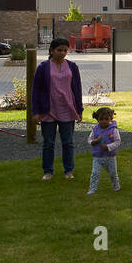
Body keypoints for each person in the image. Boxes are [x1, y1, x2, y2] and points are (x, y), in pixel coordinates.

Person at [31, 38, 82, 180]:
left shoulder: (72, 67)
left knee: (68, 142)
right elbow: (36, 91)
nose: (62, 53)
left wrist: (79, 109)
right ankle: (48, 171)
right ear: (52, 50)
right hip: (48, 110)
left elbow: (77, 89)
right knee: (48, 143)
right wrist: (35, 112)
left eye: (65, 50)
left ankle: (69, 171)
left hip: (68, 109)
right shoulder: (43, 67)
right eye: (59, 50)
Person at [87, 105, 121, 194]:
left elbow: (117, 142)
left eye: (106, 119)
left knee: (113, 173)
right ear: (97, 119)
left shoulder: (113, 130)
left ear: (110, 119)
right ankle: (92, 189)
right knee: (95, 173)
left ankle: (116, 186)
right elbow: (89, 140)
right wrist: (95, 141)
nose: (104, 121)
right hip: (97, 157)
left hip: (110, 157)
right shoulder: (95, 130)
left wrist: (108, 147)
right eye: (101, 119)